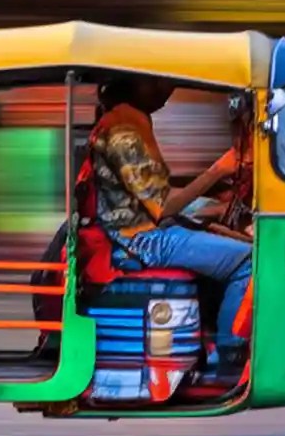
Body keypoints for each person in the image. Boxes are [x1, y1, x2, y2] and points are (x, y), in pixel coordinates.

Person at [91, 76, 251, 377]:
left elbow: (156, 191)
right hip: (140, 239)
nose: (166, 93)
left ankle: (207, 343)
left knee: (217, 239)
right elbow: (162, 207)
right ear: (136, 83)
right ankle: (231, 360)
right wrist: (218, 170)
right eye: (159, 84)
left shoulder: (131, 122)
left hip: (141, 229)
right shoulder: (124, 132)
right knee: (248, 262)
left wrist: (214, 202)